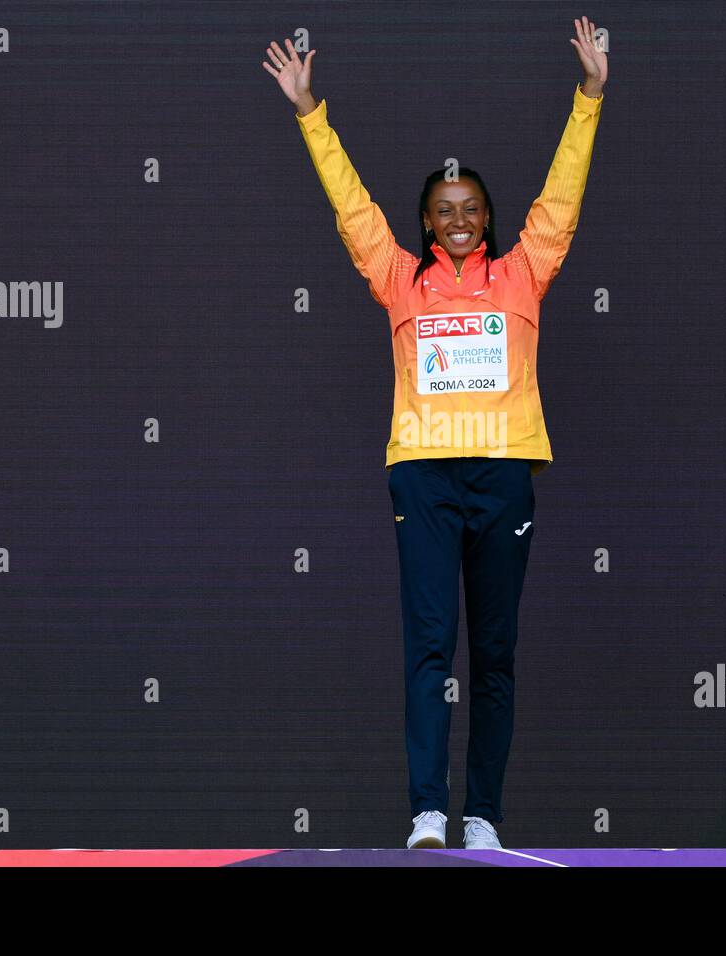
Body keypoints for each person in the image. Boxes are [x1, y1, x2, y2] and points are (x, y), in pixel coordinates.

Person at [263, 17, 607, 850]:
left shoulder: (525, 269)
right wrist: (309, 112)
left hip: (502, 480)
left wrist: (590, 94)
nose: (457, 220)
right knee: (429, 649)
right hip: (422, 476)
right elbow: (353, 208)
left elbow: (559, 198)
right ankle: (427, 811)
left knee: (493, 655)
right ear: (425, 222)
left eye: (470, 209)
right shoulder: (399, 278)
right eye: (442, 211)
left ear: (488, 218)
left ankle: (482, 817)